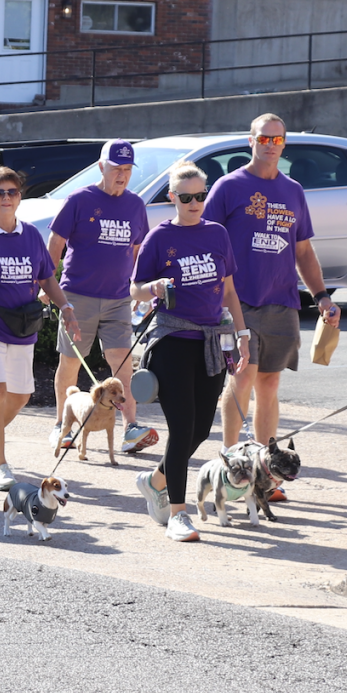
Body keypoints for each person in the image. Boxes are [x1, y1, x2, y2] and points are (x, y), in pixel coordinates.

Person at [203, 113, 340, 499]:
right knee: (241, 378)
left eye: (277, 140)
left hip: (282, 300)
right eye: (264, 139)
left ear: (284, 144)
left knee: (270, 384)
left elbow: (303, 250)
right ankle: (231, 469)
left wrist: (322, 296)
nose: (270, 145)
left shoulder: (293, 190)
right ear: (251, 140)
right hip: (237, 302)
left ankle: (265, 475)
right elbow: (206, 240)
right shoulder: (229, 187)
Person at [131, 163, 251, 543]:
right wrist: (154, 286)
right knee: (182, 426)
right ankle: (178, 513)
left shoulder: (217, 234)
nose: (195, 202)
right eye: (187, 197)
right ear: (173, 198)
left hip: (213, 339)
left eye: (201, 195)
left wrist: (243, 334)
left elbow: (229, 291)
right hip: (171, 340)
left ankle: (155, 481)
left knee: (201, 428)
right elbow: (133, 290)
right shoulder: (159, 237)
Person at [0, 166, 78, 492]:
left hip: (22, 324)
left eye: (12, 192)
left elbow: (46, 276)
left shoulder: (31, 234)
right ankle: (1, 466)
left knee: (21, 395)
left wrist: (65, 307)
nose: (6, 198)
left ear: (20, 197)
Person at [48, 140, 155, 455]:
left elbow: (137, 249)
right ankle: (61, 427)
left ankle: (130, 428)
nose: (121, 175)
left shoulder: (135, 205)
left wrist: (137, 287)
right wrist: (47, 285)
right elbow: (56, 242)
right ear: (101, 167)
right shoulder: (80, 200)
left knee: (122, 364)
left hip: (118, 298)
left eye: (126, 170)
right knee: (70, 363)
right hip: (78, 296)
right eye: (115, 169)